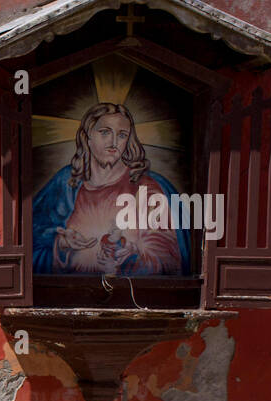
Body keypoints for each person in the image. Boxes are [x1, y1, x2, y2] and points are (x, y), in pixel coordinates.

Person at [32, 102, 190, 276]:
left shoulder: (145, 188)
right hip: (67, 294)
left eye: (122, 135)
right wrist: (60, 243)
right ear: (87, 137)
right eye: (105, 132)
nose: (113, 142)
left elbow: (167, 260)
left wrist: (131, 255)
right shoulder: (66, 184)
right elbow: (30, 240)